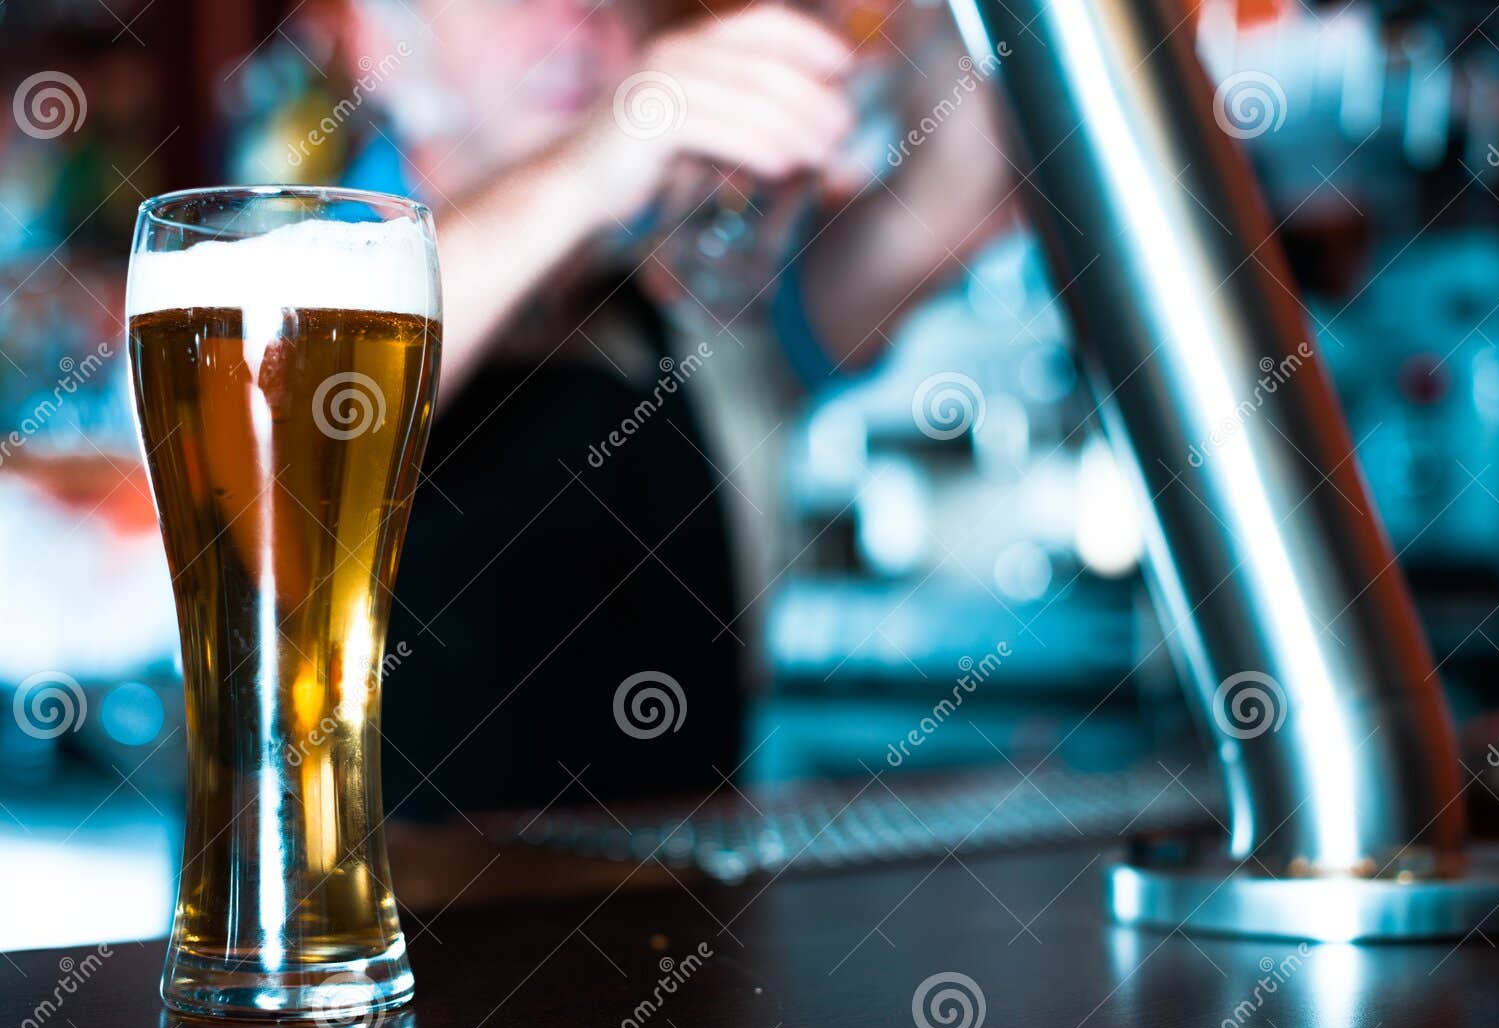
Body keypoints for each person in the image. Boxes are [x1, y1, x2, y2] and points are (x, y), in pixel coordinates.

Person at [242, 0, 1018, 815]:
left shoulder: (703, 302)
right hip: (381, 933)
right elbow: (271, 420)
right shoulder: (295, 279)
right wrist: (594, 163)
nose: (578, 17)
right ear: (382, 45)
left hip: (690, 922)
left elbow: (953, 189)